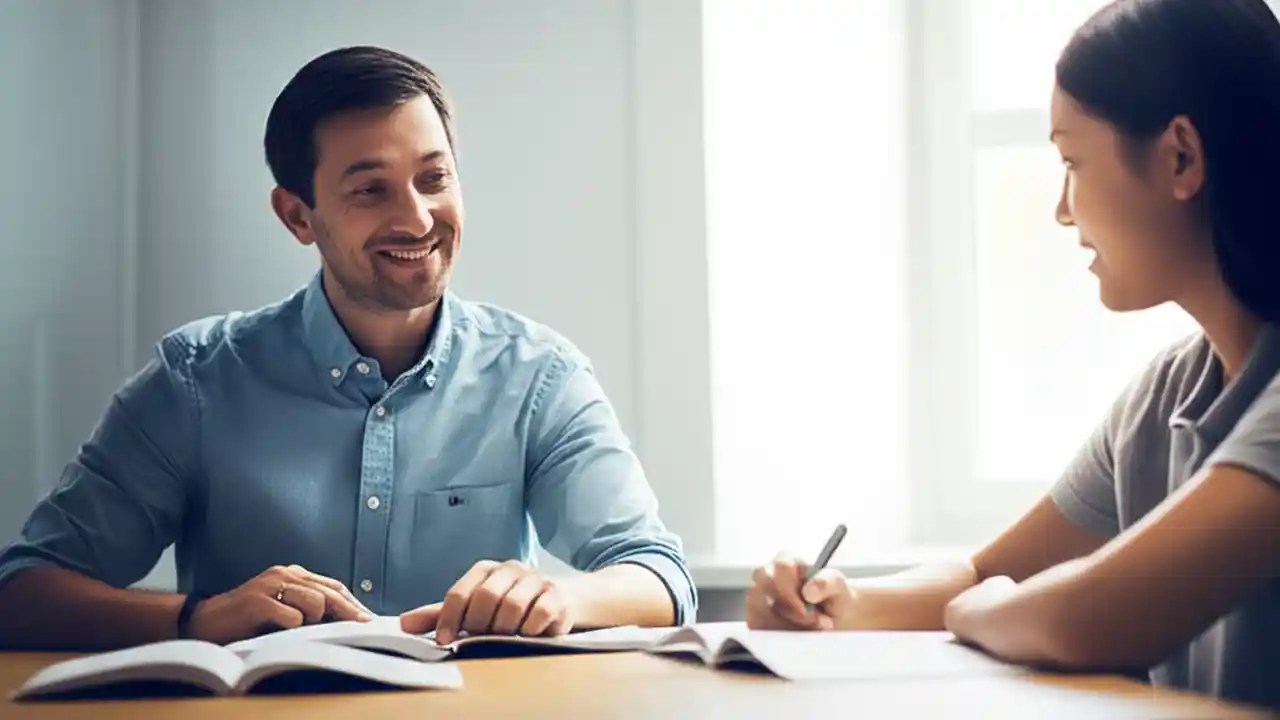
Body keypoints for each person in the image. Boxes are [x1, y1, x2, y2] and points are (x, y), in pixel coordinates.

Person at [0, 46, 694, 650]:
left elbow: (658, 573)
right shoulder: (194, 382)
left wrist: (560, 600)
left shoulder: (540, 377)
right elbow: (22, 592)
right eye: (371, 190)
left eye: (434, 177)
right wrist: (198, 618)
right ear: (297, 215)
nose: (417, 217)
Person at [746, 0, 1280, 709]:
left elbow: (1082, 617)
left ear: (1181, 157)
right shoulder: (1162, 398)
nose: (1063, 209)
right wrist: (832, 603)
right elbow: (986, 572)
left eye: (1072, 161)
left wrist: (980, 610)